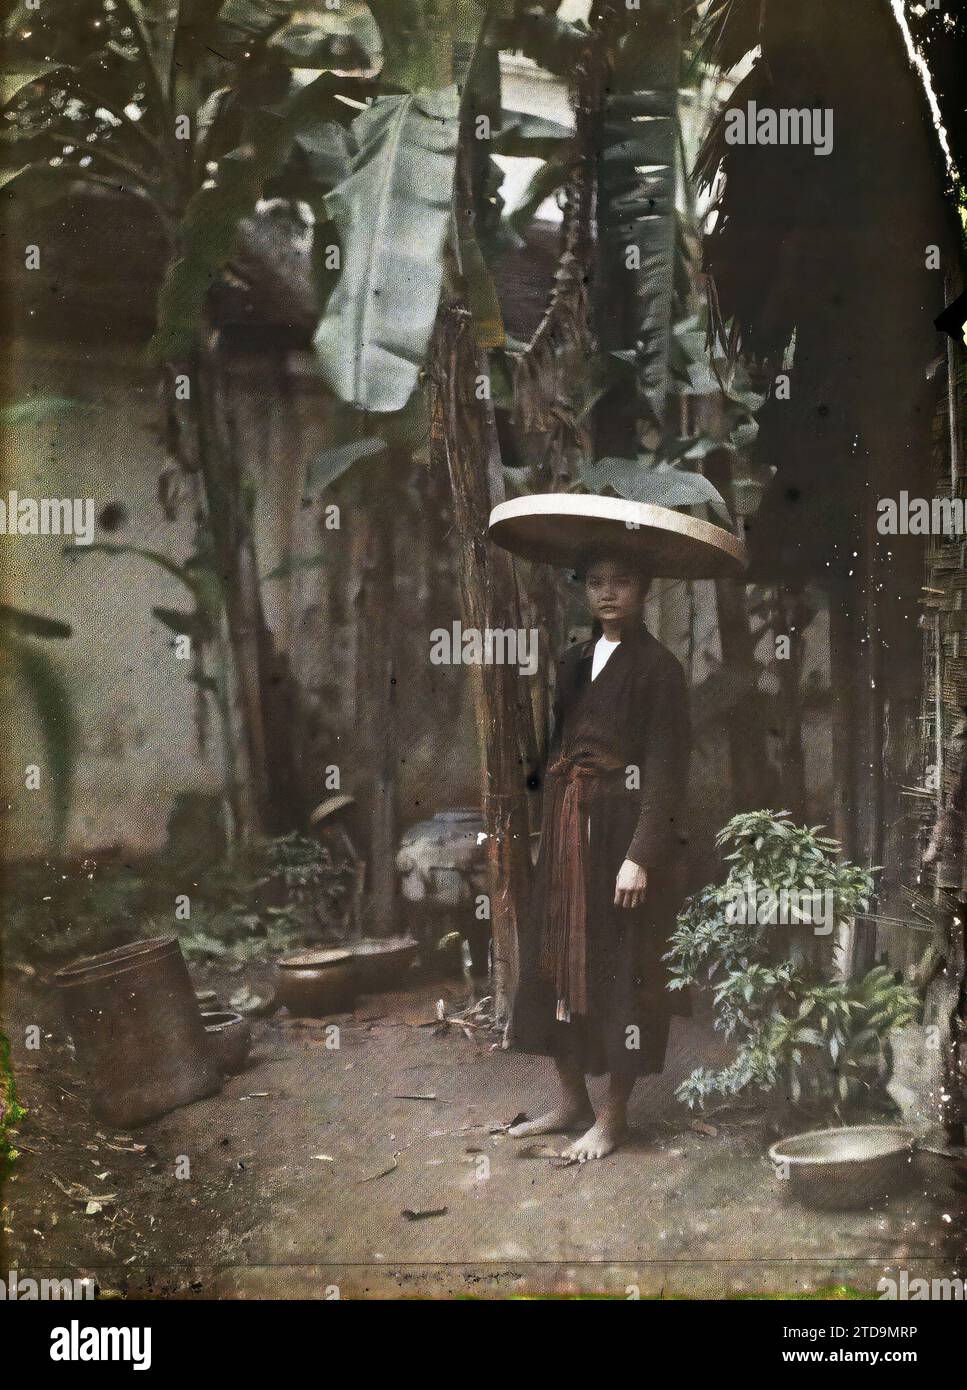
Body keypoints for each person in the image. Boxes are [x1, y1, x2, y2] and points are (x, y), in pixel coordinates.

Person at [508, 550, 692, 1161]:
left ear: (644, 587)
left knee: (621, 969)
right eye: (596, 583)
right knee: (552, 959)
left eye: (622, 581)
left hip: (621, 831)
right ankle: (570, 1102)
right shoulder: (571, 663)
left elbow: (667, 772)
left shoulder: (659, 670)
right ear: (584, 591)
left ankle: (611, 1119)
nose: (608, 593)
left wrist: (641, 854)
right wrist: (546, 826)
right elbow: (555, 749)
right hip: (567, 830)